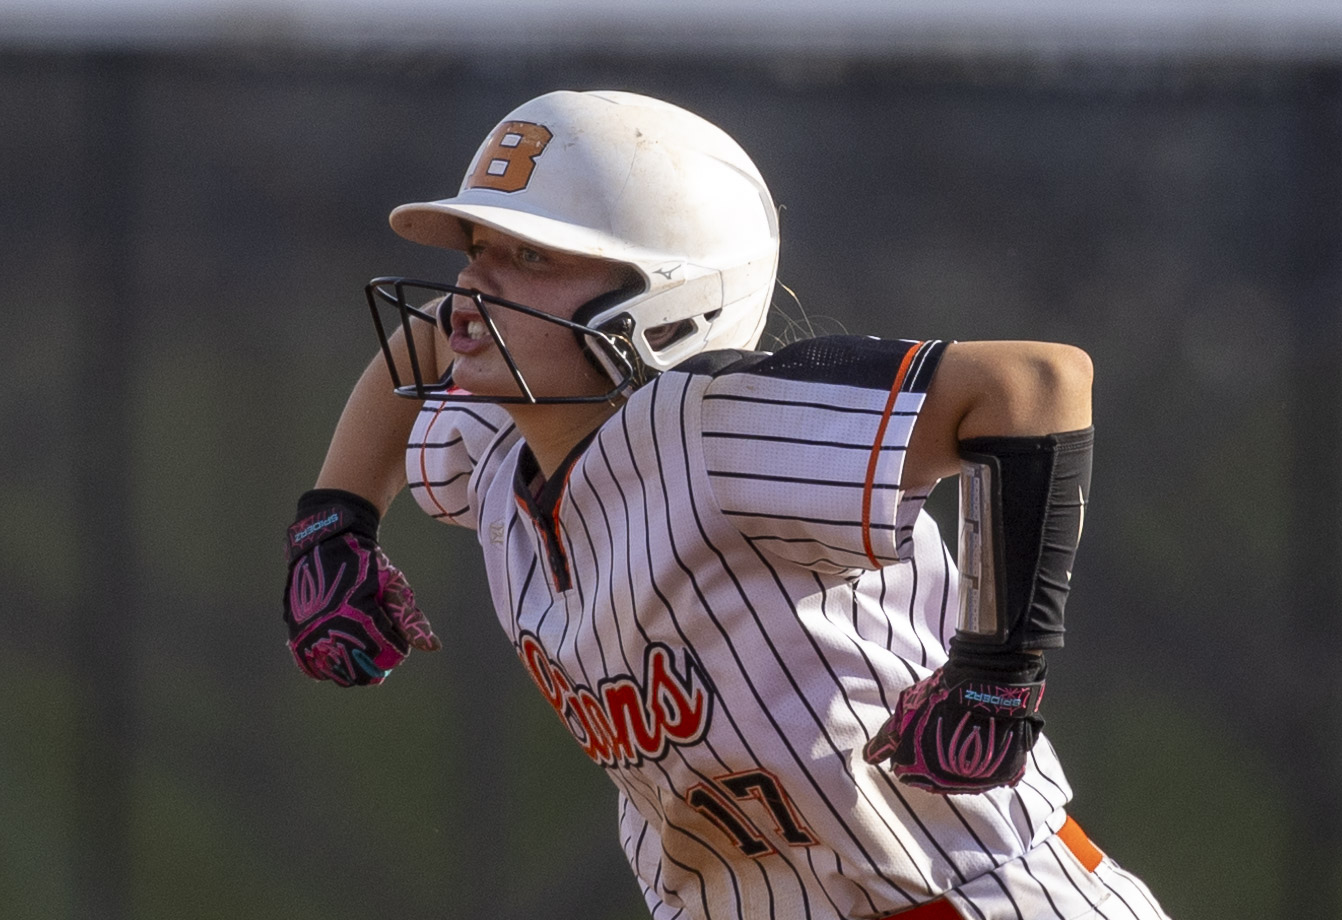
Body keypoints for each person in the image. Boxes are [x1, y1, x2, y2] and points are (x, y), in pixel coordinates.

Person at [282, 89, 1170, 920]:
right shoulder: (500, 446)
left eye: (531, 256)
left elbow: (1037, 383)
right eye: (475, 251)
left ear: (664, 303)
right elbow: (432, 338)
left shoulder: (719, 427)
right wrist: (337, 512)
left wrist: (999, 665)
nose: (471, 292)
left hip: (977, 901)